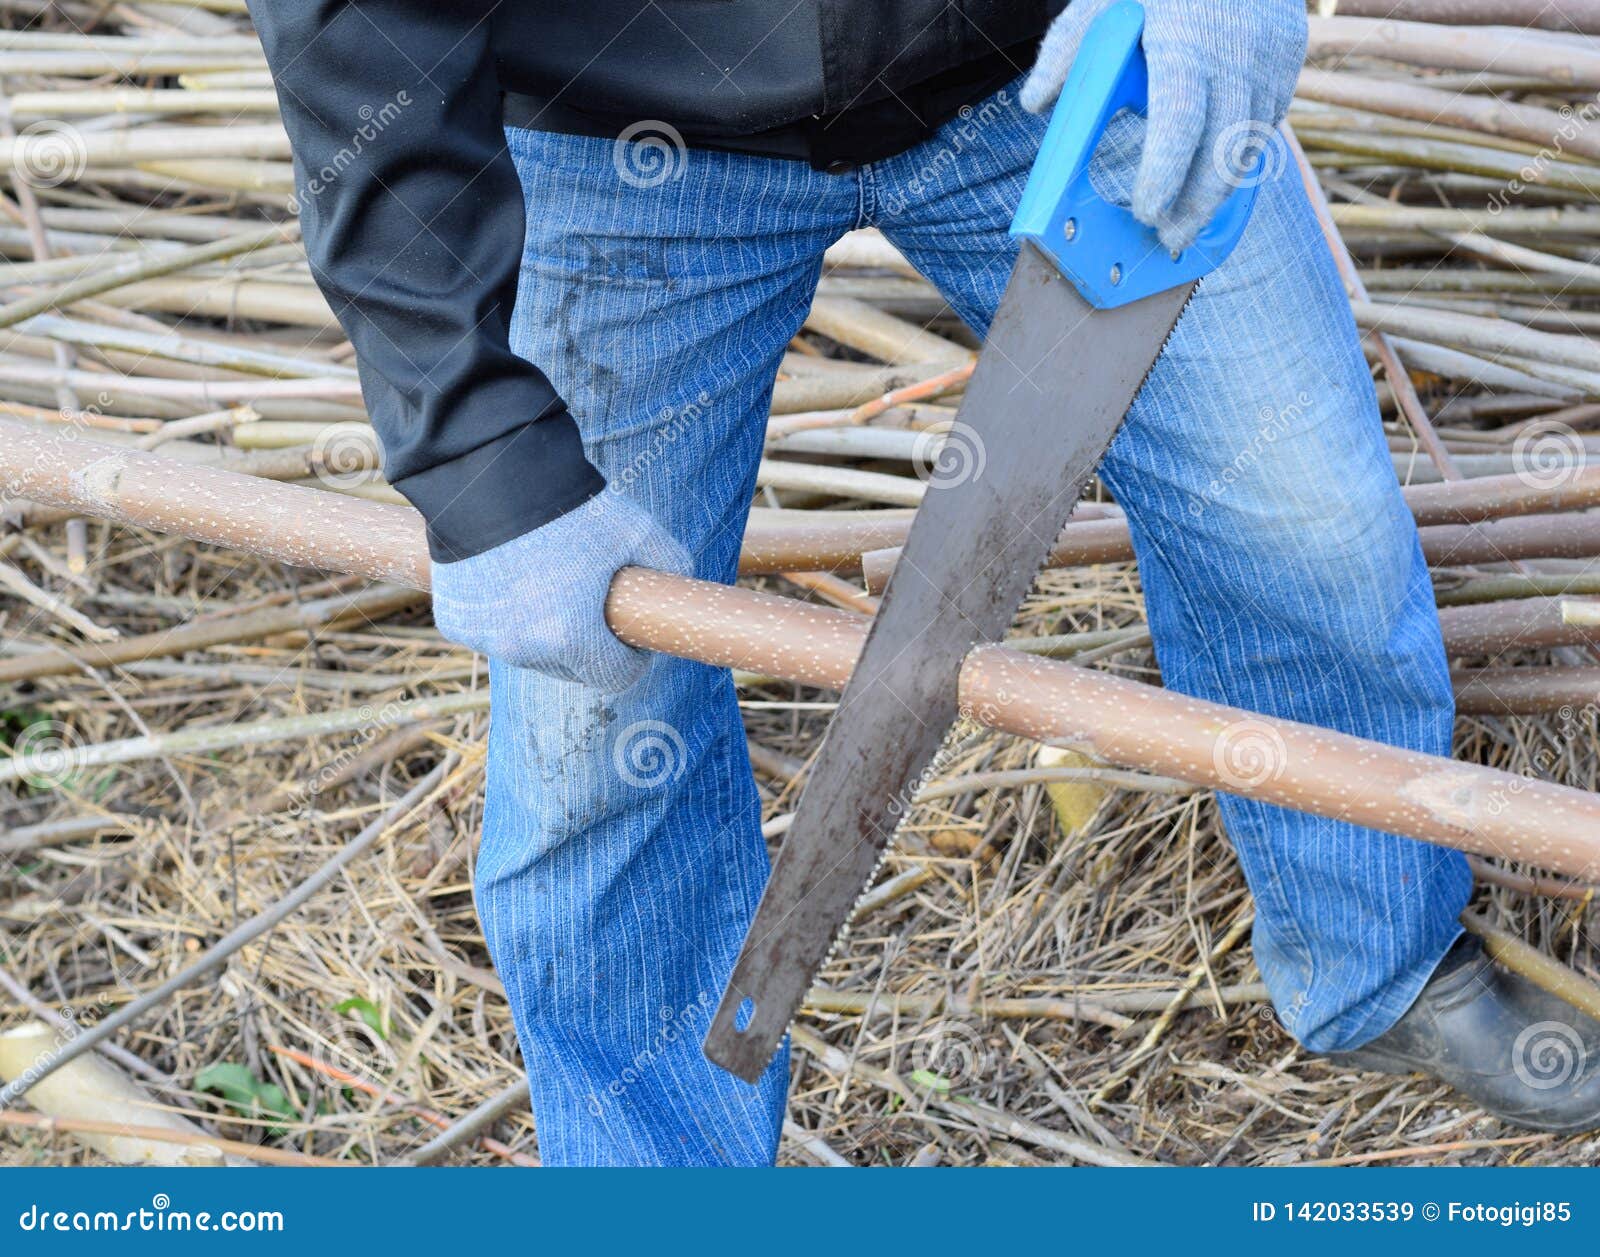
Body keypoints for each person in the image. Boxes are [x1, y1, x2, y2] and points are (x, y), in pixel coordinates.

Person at [248, 0, 1600, 1164]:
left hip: (1059, 60)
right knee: (590, 730)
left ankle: (1377, 959)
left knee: (1309, 527)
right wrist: (482, 447)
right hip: (618, 125)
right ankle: (653, 1177)